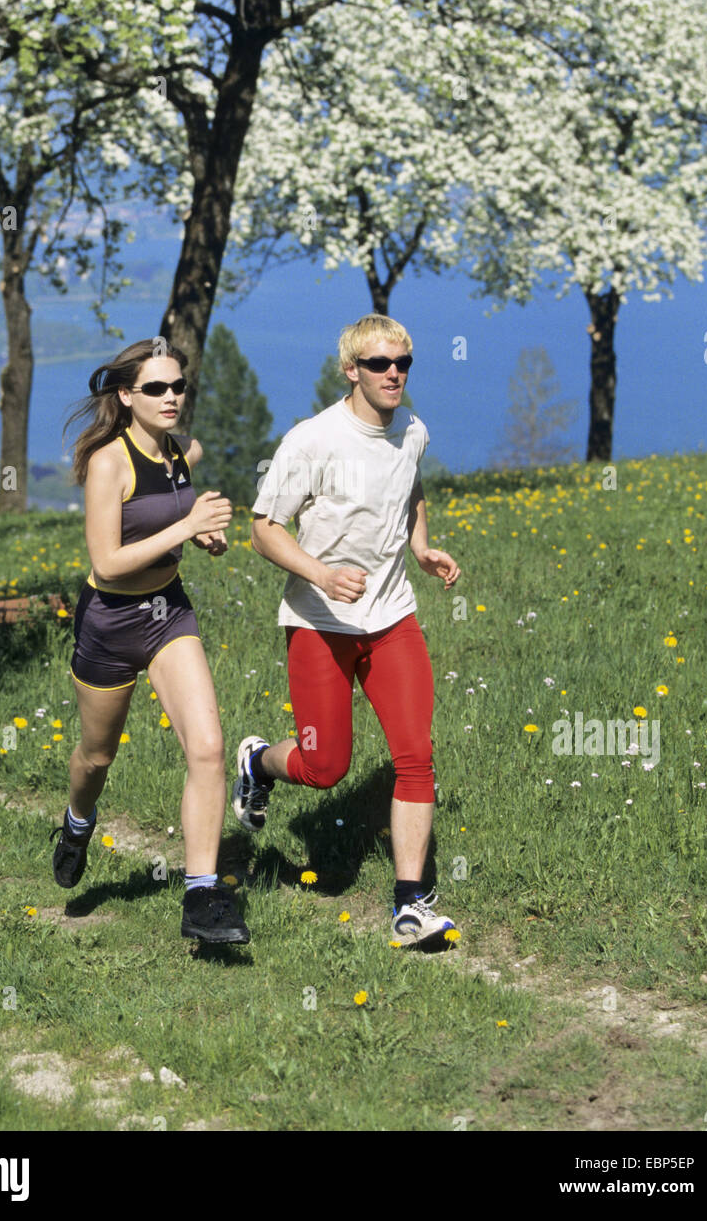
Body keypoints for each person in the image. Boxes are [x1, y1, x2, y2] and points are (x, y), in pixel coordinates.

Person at [233, 314, 461, 948]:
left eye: (403, 364)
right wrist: (321, 573)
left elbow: (410, 488)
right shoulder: (313, 440)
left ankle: (410, 904)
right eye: (380, 364)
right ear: (351, 370)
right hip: (320, 622)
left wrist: (422, 548)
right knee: (326, 766)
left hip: (391, 618)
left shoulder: (412, 429)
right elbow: (263, 528)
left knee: (415, 757)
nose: (394, 375)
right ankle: (258, 760)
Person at [53, 336, 249, 944]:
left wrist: (199, 538)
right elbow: (107, 561)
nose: (170, 397)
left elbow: (167, 523)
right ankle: (77, 822)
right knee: (96, 757)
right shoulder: (110, 461)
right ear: (126, 395)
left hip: (169, 614)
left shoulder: (179, 451)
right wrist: (187, 525)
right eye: (156, 389)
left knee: (209, 747)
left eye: (178, 387)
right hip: (109, 620)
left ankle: (201, 897)